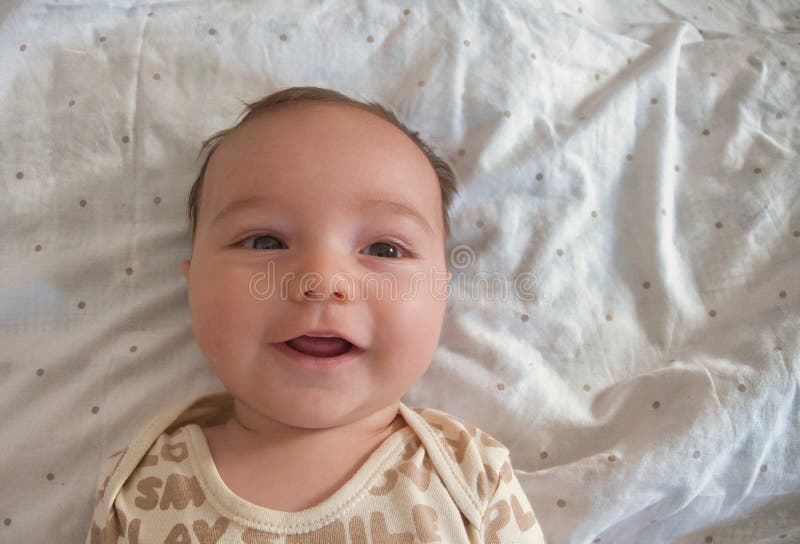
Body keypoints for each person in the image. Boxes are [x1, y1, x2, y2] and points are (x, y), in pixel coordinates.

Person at [85, 86, 546, 543]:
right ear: (193, 283)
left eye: (385, 248)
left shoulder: (470, 477)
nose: (322, 281)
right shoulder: (140, 487)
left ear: (440, 294)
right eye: (265, 242)